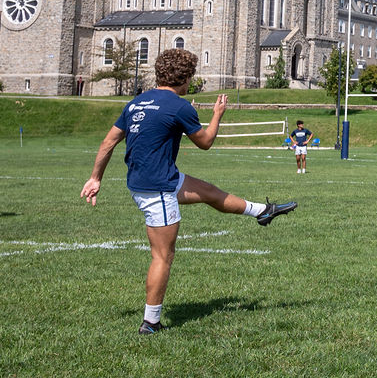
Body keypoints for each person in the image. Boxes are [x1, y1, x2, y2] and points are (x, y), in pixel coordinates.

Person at [80, 49, 296, 335]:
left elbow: (109, 142)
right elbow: (205, 142)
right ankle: (151, 322)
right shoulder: (180, 106)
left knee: (208, 192)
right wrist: (218, 115)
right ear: (184, 79)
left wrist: (96, 178)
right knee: (162, 256)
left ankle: (262, 212)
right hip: (157, 188)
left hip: (146, 180)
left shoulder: (136, 103)